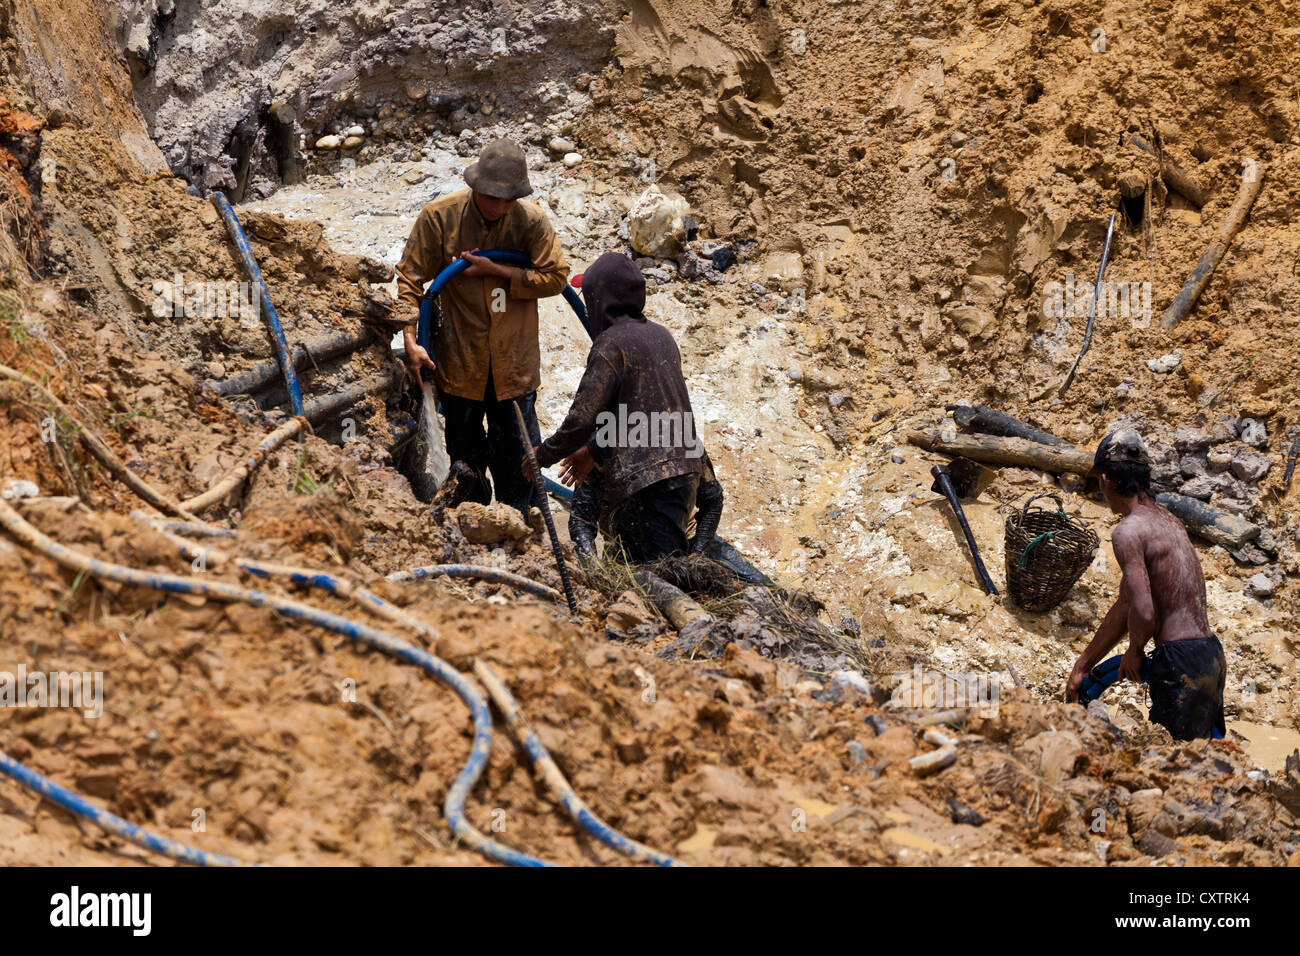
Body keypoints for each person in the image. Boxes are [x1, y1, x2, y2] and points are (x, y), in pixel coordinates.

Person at [395, 139, 569, 515]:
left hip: (514, 368)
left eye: (509, 199)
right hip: (460, 365)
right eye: (492, 197)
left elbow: (556, 278)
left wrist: (499, 271)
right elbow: (409, 282)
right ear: (475, 186)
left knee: (520, 468)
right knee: (466, 466)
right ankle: (471, 530)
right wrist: (412, 341)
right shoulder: (440, 218)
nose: (499, 207)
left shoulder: (531, 221)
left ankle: (521, 531)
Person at [523, 252, 708, 564]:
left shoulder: (611, 344)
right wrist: (594, 451)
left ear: (601, 300)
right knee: (653, 568)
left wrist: (541, 456)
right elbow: (640, 417)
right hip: (684, 472)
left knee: (649, 580)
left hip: (646, 482)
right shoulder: (661, 335)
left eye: (589, 296)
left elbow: (582, 418)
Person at [1065, 429, 1226, 740]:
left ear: (1106, 480)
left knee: (1172, 767)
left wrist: (1135, 651)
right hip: (1209, 655)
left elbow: (1143, 611)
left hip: (1179, 661)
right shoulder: (1168, 521)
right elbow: (1126, 606)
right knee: (1207, 760)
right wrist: (1082, 667)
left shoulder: (1128, 532)